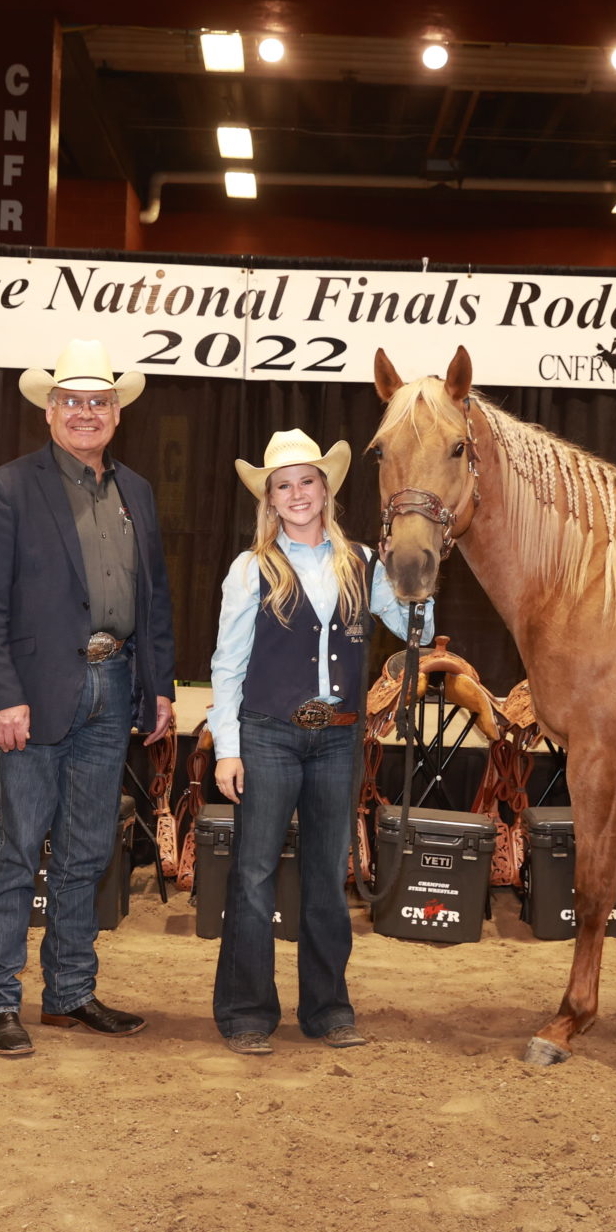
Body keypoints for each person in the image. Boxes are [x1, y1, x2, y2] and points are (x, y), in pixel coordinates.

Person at [0, 339, 175, 1057]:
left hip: (115, 683)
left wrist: (159, 687)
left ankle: (70, 991)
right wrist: (2, 695)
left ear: (117, 413)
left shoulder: (137, 490)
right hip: (34, 693)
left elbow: (155, 600)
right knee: (16, 851)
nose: (87, 412)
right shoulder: (8, 487)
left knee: (87, 851)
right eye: (74, 401)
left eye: (99, 402)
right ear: (49, 411)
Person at [207, 430, 428, 1056]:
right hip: (268, 734)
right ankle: (246, 1012)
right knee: (254, 874)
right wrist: (228, 747)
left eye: (307, 481)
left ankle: (328, 1009)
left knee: (329, 875)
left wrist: (416, 576)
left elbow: (413, 624)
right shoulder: (251, 568)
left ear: (326, 490)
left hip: (338, 738)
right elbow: (228, 664)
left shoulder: (362, 560)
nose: (297, 493)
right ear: (270, 499)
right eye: (284, 485)